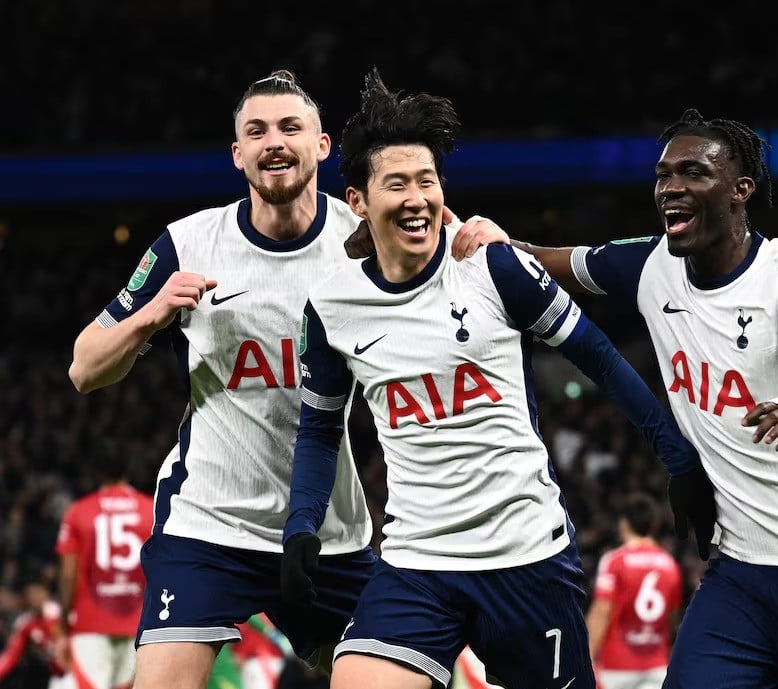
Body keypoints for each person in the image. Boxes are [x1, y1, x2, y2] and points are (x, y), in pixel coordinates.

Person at [281, 67, 708, 689]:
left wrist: (679, 457)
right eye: (395, 183)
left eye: (427, 181)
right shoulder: (331, 306)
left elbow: (601, 358)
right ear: (357, 202)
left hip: (526, 556)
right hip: (416, 563)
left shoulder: (491, 267)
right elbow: (320, 432)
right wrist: (300, 531)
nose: (415, 197)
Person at [462, 108, 778, 688]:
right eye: (663, 175)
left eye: (694, 173)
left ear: (740, 190)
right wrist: (485, 237)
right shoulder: (652, 266)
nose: (671, 187)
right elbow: (548, 263)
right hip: (737, 576)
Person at [67, 69, 380, 689]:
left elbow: (455, 265)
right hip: (208, 522)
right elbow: (84, 367)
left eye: (291, 127)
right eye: (257, 131)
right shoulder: (187, 243)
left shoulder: (365, 240)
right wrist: (152, 316)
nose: (274, 142)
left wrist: (486, 240)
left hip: (327, 531)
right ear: (238, 155)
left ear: (322, 146)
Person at [54, 440, 153, 689]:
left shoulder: (78, 512)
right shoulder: (151, 509)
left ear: (95, 471)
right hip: (139, 621)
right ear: (128, 469)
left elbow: (68, 575)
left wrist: (65, 623)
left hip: (90, 622)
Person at [585, 493, 682, 689]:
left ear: (624, 523)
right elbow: (672, 619)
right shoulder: (670, 564)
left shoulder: (615, 561)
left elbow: (601, 612)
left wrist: (585, 660)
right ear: (653, 525)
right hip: (657, 666)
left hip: (617, 667)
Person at [0, 576, 73, 689]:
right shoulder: (27, 625)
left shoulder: (62, 615)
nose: (34, 597)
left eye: (37, 592)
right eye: (29, 594)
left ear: (45, 593)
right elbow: (10, 657)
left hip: (77, 671)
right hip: (59, 678)